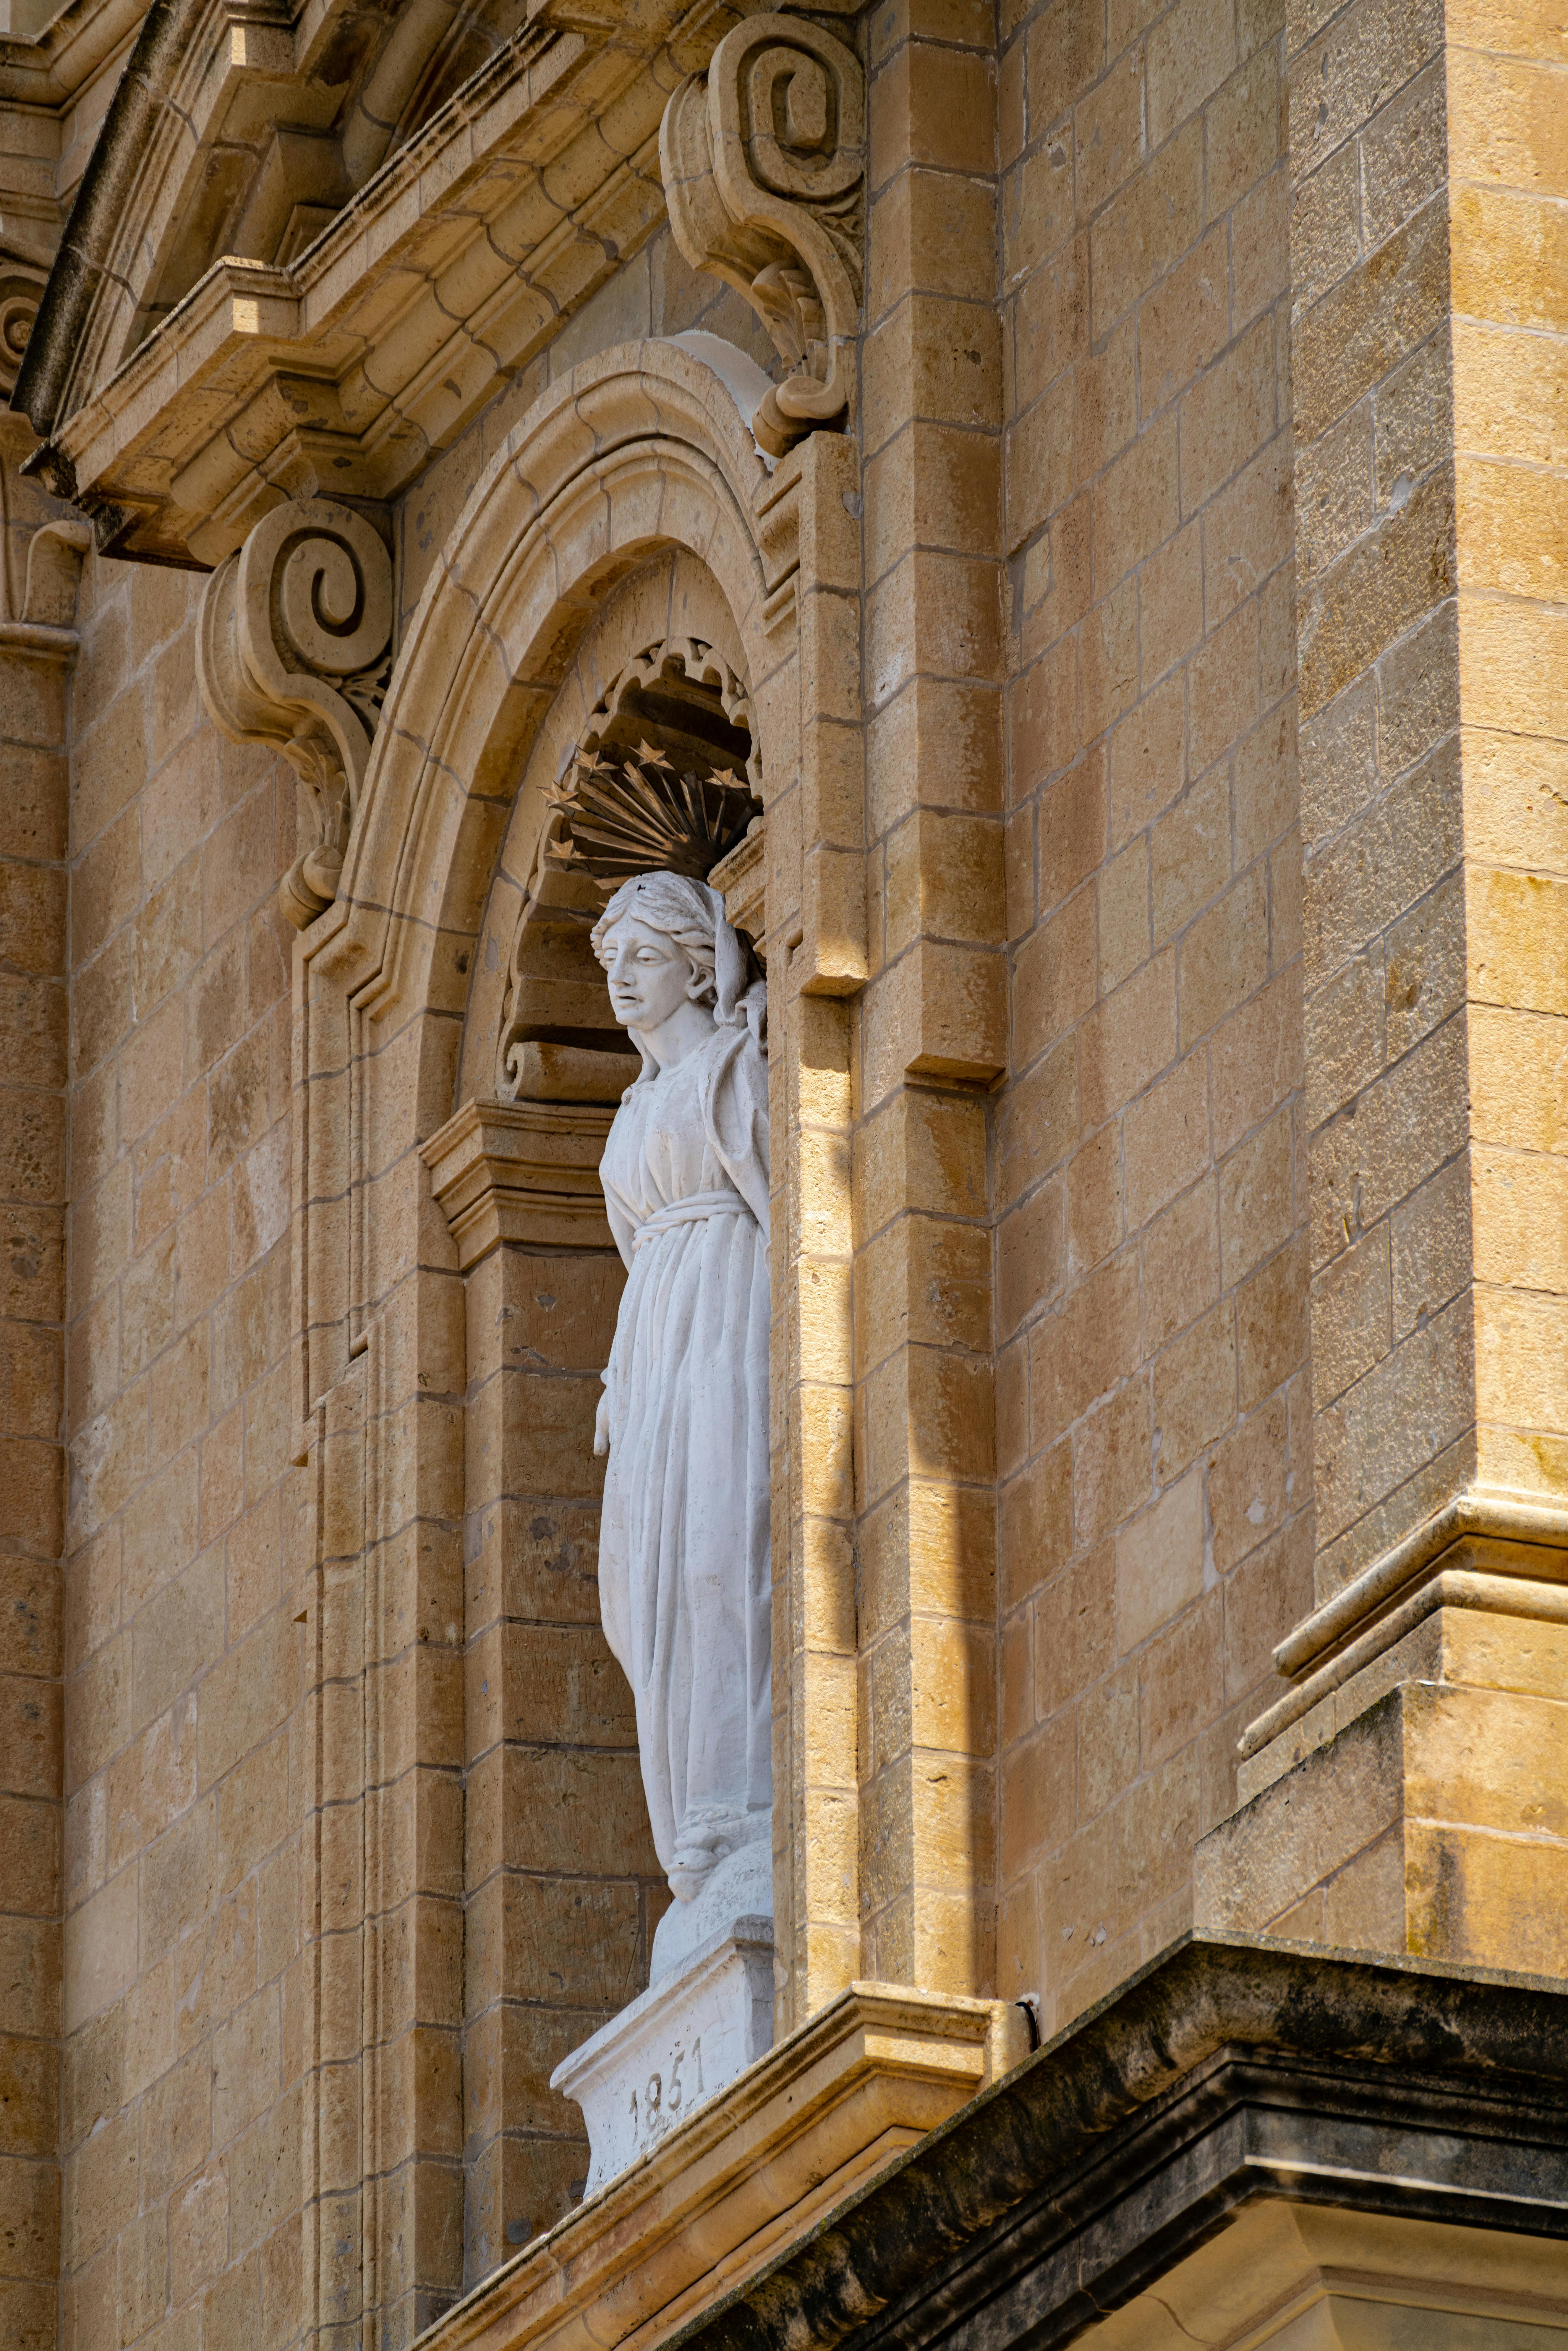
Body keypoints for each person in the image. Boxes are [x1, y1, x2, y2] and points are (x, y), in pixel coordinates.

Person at [590, 870, 771, 1906]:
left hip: (727, 1312)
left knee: (718, 1545)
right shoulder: (632, 1109)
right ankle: (689, 1818)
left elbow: (786, 1204)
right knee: (641, 1583)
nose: (623, 978)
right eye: (612, 959)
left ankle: (738, 1804)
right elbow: (634, 1251)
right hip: (656, 1339)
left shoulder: (732, 1068)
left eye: (647, 957)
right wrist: (618, 1377)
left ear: (699, 969)